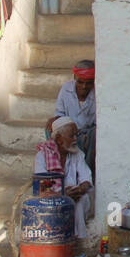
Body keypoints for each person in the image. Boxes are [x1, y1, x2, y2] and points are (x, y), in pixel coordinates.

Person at [34, 116, 94, 246]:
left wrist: (80, 189)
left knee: (81, 201)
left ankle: (76, 242)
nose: (75, 140)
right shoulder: (43, 155)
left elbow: (86, 177)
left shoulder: (77, 153)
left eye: (76, 136)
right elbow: (42, 186)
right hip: (51, 197)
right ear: (59, 139)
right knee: (67, 202)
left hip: (73, 195)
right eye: (71, 136)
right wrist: (62, 195)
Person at [46, 60, 96, 175]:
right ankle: (56, 170)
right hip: (68, 130)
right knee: (50, 126)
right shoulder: (66, 88)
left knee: (94, 135)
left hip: (88, 133)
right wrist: (57, 121)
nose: (84, 86)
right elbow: (59, 113)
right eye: (80, 82)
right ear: (75, 78)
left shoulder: (97, 92)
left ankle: (87, 172)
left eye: (89, 83)